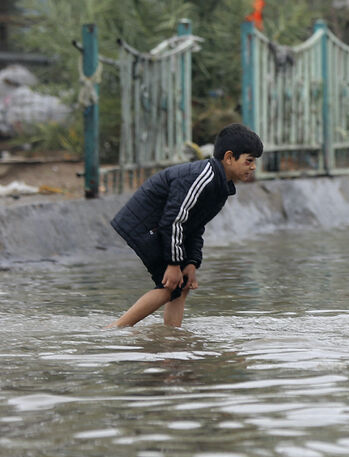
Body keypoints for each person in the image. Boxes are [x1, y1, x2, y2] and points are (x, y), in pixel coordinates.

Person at [107, 123, 263, 328]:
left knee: (182, 283)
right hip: (144, 225)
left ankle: (173, 337)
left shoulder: (220, 187)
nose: (253, 167)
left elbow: (196, 225)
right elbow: (174, 219)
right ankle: (113, 331)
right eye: (249, 161)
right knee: (169, 286)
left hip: (160, 227)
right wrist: (173, 264)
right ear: (229, 157)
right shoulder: (202, 177)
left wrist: (190, 262)